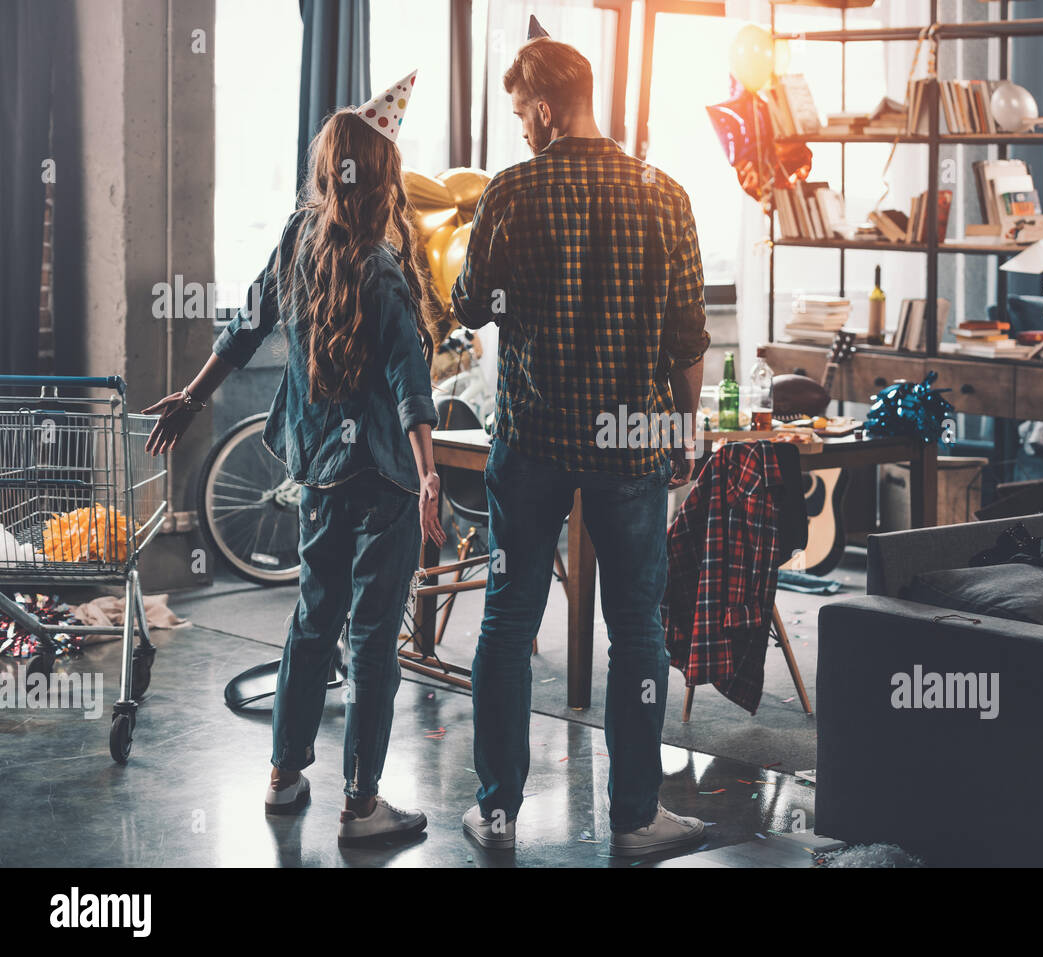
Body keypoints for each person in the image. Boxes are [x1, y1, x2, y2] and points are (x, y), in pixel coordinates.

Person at [144, 72, 448, 846]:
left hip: (317, 468)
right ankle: (363, 803)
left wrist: (191, 394)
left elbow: (242, 329)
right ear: (385, 174)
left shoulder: (296, 238)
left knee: (314, 619)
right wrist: (430, 476)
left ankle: (283, 777)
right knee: (374, 637)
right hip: (382, 473)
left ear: (329, 167)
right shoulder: (383, 267)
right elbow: (413, 387)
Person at [451, 38, 710, 857]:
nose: (521, 130)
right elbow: (688, 340)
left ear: (541, 106)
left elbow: (468, 308)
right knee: (637, 629)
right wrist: (680, 430)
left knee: (507, 618)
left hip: (531, 441)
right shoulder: (665, 195)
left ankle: (496, 813)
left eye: (520, 113)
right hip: (633, 445)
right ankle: (635, 818)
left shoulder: (512, 192)